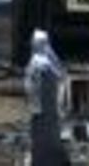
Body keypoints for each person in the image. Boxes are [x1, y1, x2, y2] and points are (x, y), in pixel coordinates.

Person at [24, 29, 68, 165]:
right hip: (51, 110)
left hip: (41, 113)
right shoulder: (50, 63)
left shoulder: (36, 63)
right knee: (52, 137)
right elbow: (62, 77)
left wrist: (33, 110)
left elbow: (32, 90)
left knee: (41, 143)